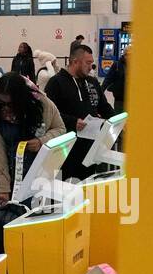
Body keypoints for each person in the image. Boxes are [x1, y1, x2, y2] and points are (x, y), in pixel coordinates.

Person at [0, 73, 66, 204]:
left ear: (21, 98)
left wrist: (42, 142)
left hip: (40, 178)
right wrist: (3, 190)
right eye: (1, 103)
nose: (6, 108)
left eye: (10, 104)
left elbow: (60, 129)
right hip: (8, 181)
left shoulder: (43, 105)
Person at [46, 42, 112, 179]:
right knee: (66, 189)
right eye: (88, 63)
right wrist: (72, 121)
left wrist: (117, 120)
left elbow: (104, 107)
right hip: (67, 149)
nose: (91, 67)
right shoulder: (56, 83)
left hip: (91, 147)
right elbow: (49, 115)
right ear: (75, 62)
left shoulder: (92, 82)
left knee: (87, 185)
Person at [103, 45, 129, 111]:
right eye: (129, 54)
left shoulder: (136, 65)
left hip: (132, 99)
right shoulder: (117, 64)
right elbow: (108, 79)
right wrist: (100, 91)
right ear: (125, 55)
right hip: (119, 98)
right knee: (119, 117)